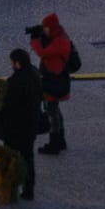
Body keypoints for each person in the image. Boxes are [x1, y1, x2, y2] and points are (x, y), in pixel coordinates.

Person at [0, 49, 42, 200]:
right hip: (30, 127)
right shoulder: (34, 75)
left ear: (17, 63)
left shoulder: (16, 82)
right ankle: (29, 189)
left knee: (10, 158)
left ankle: (9, 188)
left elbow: (8, 105)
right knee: (28, 158)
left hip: (15, 128)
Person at [27, 12, 74, 155]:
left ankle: (55, 143)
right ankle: (60, 139)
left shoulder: (60, 42)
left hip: (54, 80)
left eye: (46, 27)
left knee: (52, 111)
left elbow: (42, 52)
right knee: (55, 110)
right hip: (54, 78)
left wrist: (35, 39)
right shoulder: (58, 36)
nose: (44, 29)